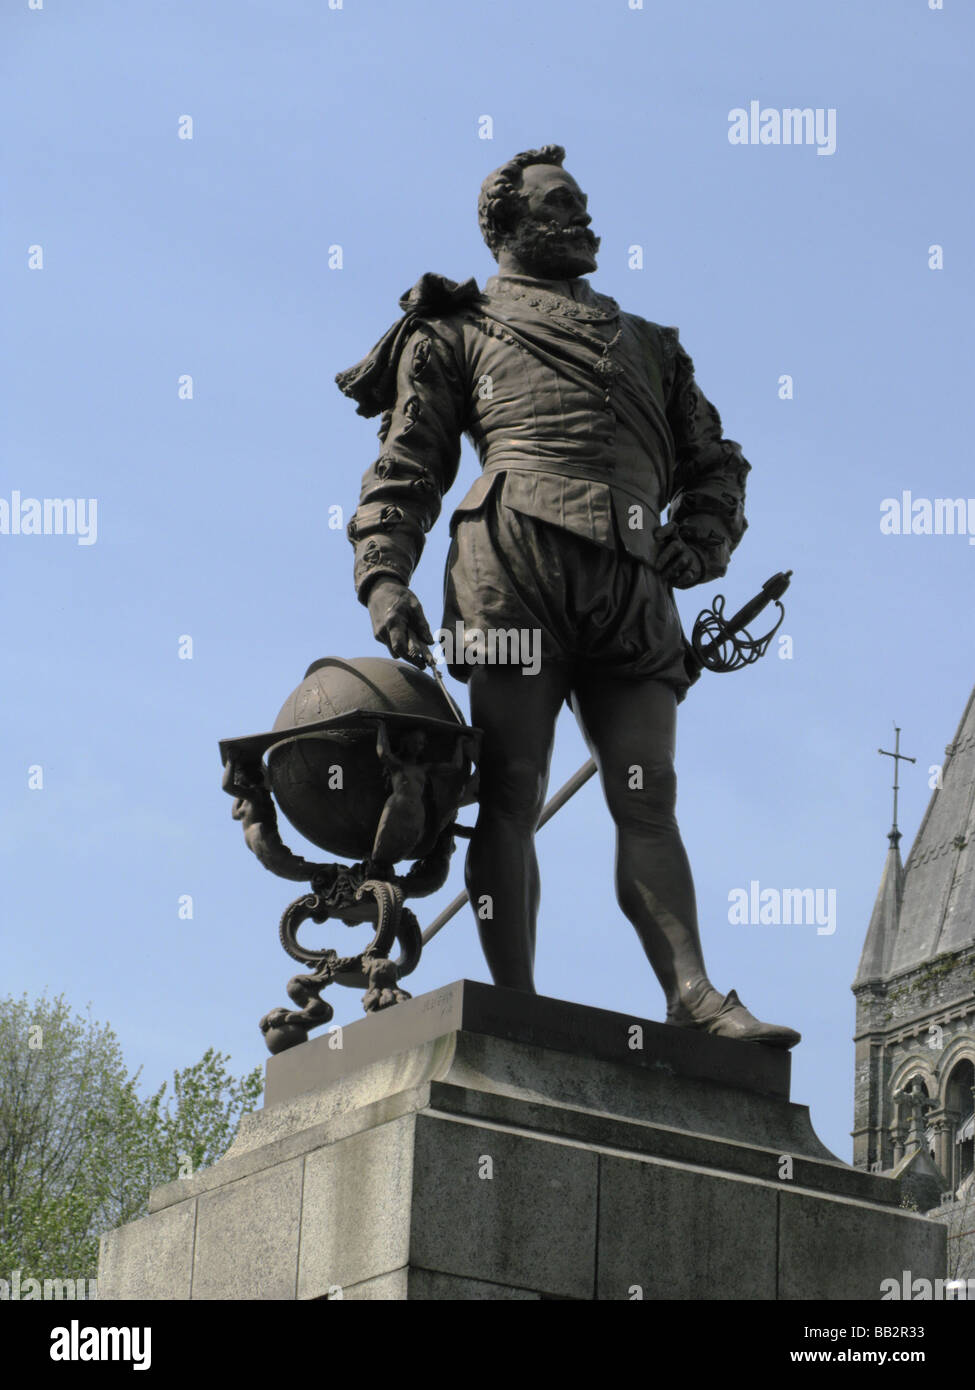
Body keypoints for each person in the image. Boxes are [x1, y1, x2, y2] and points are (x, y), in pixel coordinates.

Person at [336, 145, 799, 1047]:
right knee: (511, 786)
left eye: (584, 202)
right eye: (559, 204)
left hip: (631, 582)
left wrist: (698, 540)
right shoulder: (456, 327)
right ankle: (517, 998)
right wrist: (383, 574)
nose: (584, 219)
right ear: (503, 226)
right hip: (512, 570)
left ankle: (694, 994)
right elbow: (407, 464)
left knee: (649, 791)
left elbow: (716, 463)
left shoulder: (653, 346)